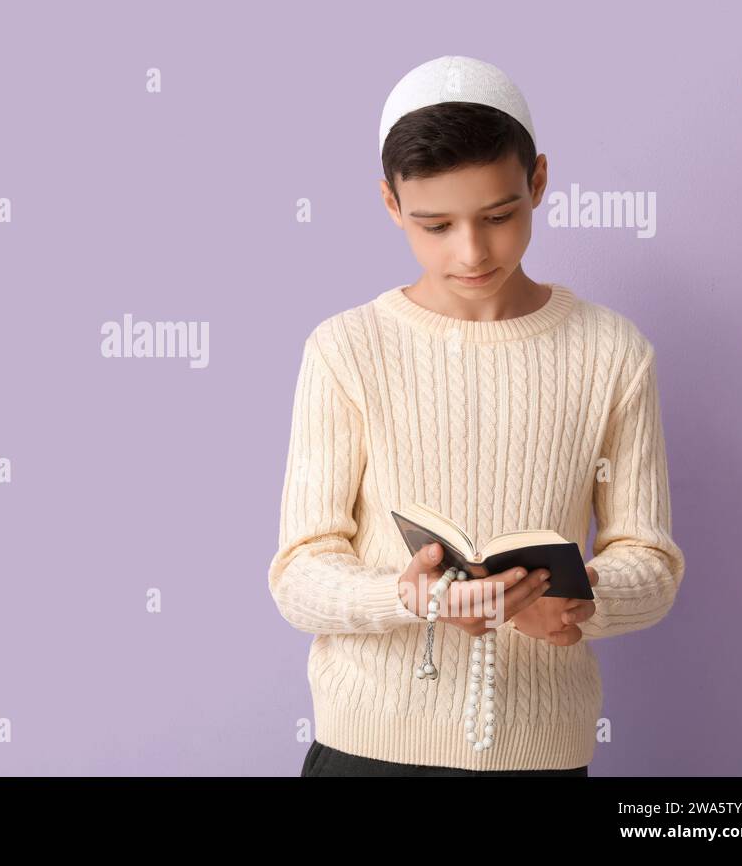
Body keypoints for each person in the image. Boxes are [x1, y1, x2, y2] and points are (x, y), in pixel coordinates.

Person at [268, 55, 685, 776]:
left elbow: (650, 561)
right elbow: (299, 573)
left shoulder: (613, 351)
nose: (472, 251)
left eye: (499, 215)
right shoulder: (346, 349)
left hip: (542, 757)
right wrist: (410, 597)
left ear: (540, 183)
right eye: (435, 225)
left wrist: (574, 603)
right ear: (391, 205)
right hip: (367, 750)